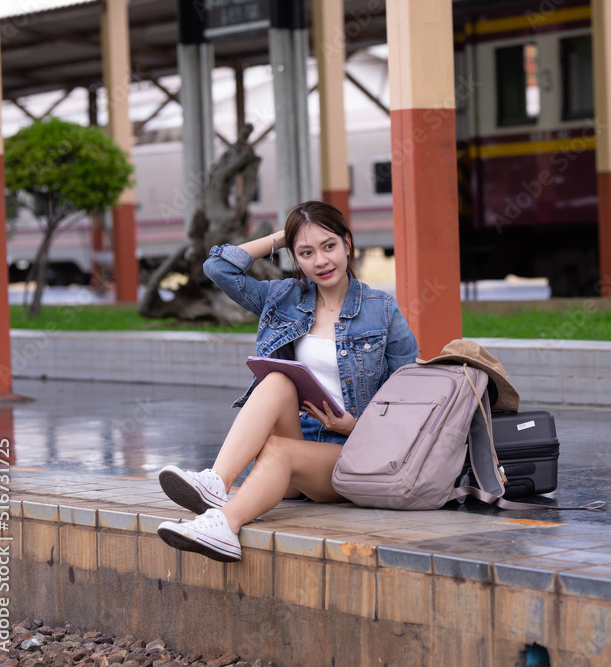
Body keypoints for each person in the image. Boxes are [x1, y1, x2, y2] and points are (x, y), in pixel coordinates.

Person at [156, 201, 418, 562]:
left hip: (352, 460)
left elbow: (408, 405)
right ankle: (216, 482)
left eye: (329, 246)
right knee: (278, 379)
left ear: (348, 244)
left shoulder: (381, 310)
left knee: (278, 451)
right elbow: (217, 268)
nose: (321, 261)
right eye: (306, 253)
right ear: (296, 258)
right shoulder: (285, 297)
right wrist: (284, 236)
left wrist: (352, 426)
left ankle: (224, 525)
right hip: (298, 452)